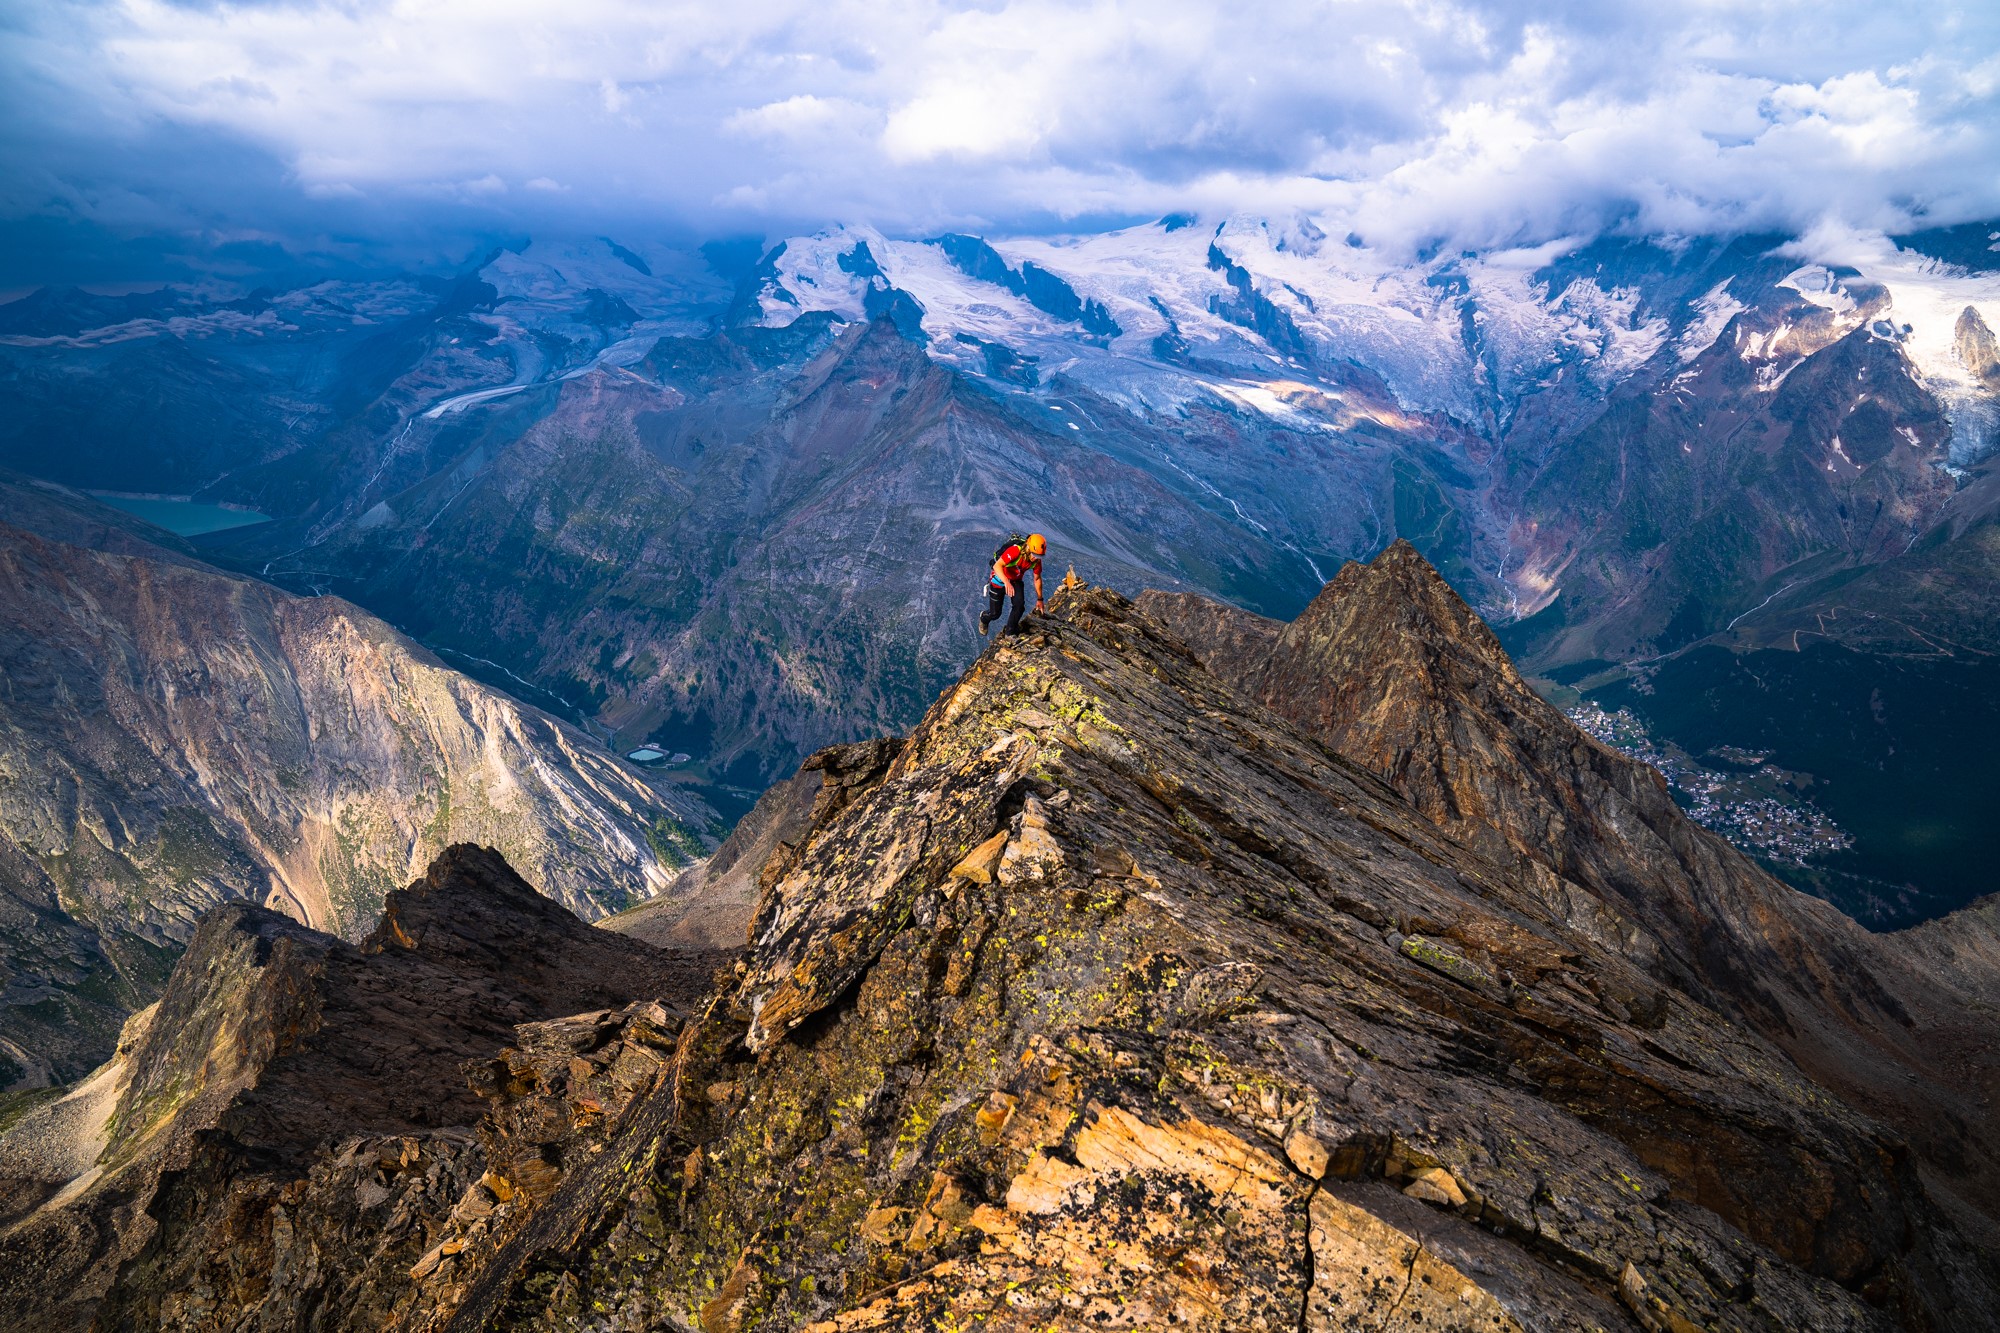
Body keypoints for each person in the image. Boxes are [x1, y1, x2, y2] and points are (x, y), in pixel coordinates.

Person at [980, 532, 1046, 636]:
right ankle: (984, 618)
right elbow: (997, 566)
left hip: (1015, 580)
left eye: (1039, 556)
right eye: (1034, 554)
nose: (1036, 558)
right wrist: (1006, 582)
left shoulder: (1036, 561)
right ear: (1028, 547)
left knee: (1019, 606)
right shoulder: (1015, 551)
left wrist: (1040, 599)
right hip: (999, 580)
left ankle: (1009, 634)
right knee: (995, 614)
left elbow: (1037, 579)